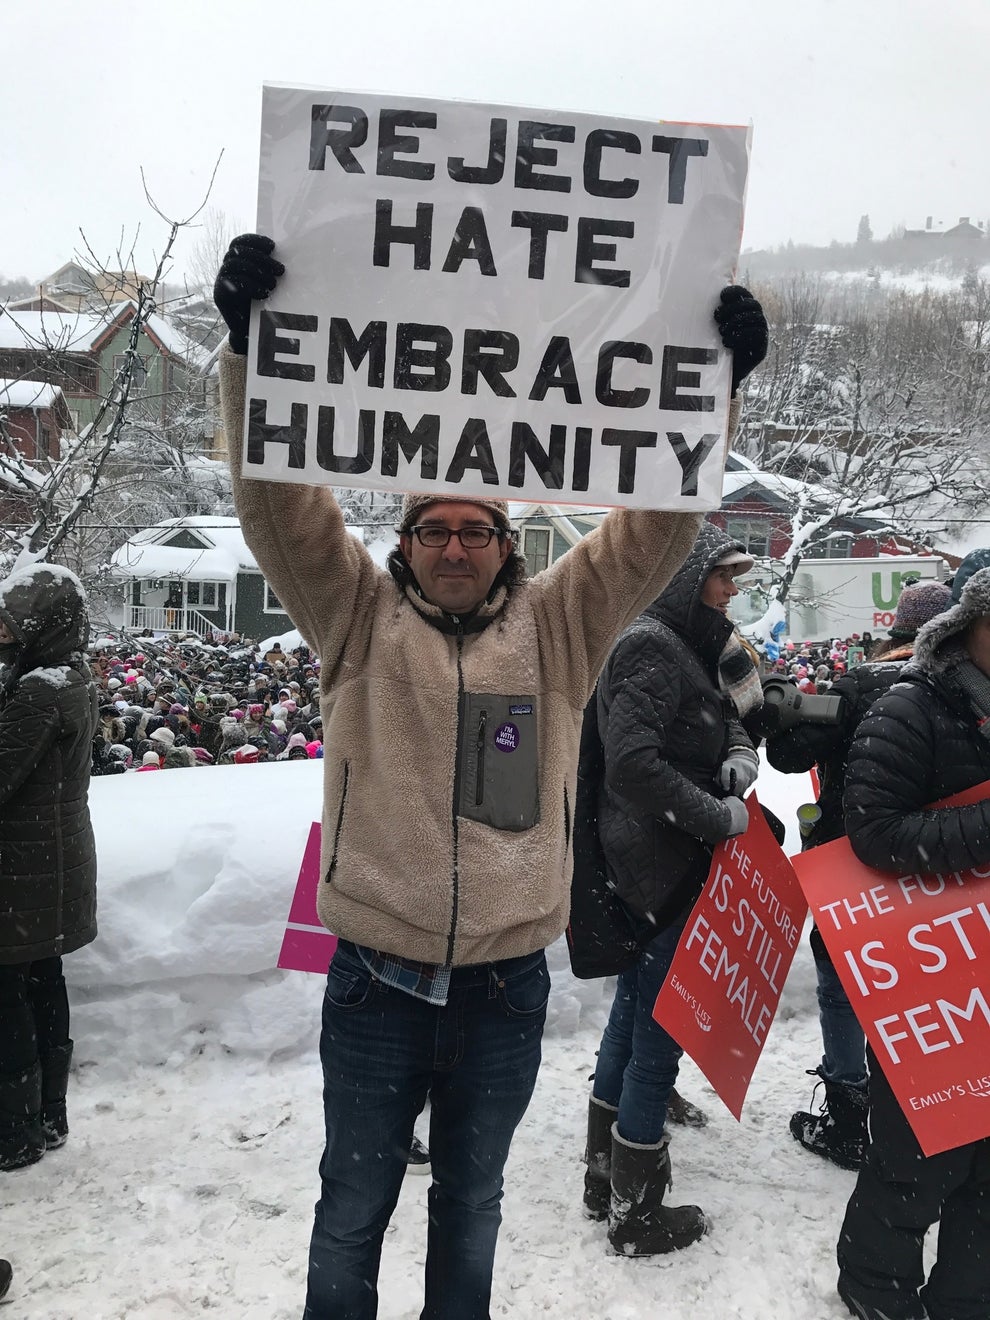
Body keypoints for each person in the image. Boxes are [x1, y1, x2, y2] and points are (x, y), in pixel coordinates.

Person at [214, 233, 768, 1319]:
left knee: (473, 1205)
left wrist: (712, 393)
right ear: (405, 542)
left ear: (506, 546)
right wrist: (253, 356)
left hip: (506, 989)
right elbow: (281, 505)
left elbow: (654, 529)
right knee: (354, 1200)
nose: (457, 546)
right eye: (435, 529)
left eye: (477, 530)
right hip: (376, 981)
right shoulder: (353, 622)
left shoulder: (558, 630)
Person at [583, 520, 763, 1255]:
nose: (730, 592)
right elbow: (632, 765)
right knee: (660, 1032)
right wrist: (718, 817)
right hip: (659, 862)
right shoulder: (652, 645)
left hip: (661, 858)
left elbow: (726, 720)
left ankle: (604, 1175)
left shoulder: (689, 645)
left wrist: (741, 757)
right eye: (722, 577)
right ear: (685, 577)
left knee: (634, 1012)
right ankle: (636, 1211)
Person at [835, 567, 990, 1320]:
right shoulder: (912, 705)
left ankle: (966, 1296)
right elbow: (873, 830)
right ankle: (876, 1288)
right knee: (918, 1152)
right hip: (927, 979)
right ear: (968, 627)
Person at [766, 580, 953, 1170]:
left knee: (844, 987)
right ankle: (928, 1111)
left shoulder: (862, 682)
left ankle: (848, 1118)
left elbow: (787, 757)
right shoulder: (963, 686)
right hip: (943, 864)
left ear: (898, 627)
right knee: (926, 991)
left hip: (853, 859)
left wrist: (795, 706)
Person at [0, 566, 98, 1170]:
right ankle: (49, 1114)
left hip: (19, 869)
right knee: (41, 980)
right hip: (53, 860)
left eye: (13, 623)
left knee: (7, 993)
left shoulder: (38, 691)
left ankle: (13, 1132)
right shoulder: (73, 676)